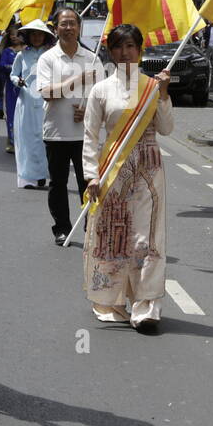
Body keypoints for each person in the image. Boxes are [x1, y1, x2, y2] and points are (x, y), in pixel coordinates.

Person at [81, 24, 174, 333]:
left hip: (148, 171)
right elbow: (91, 136)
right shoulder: (101, 90)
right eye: (119, 47)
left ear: (140, 50)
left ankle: (147, 307)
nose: (125, 53)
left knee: (146, 239)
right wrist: (91, 175)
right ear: (111, 51)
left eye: (131, 46)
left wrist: (163, 95)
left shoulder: (151, 86)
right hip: (112, 172)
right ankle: (111, 300)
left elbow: (166, 128)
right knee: (114, 237)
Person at [37, 8, 106, 245]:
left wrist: (88, 111)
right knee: (58, 184)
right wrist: (78, 80)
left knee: (87, 183)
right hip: (56, 132)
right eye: (63, 24)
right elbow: (47, 93)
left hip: (86, 135)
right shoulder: (47, 59)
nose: (68, 28)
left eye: (72, 24)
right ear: (55, 28)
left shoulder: (93, 59)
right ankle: (62, 228)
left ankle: (90, 227)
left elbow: (104, 97)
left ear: (79, 28)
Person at [10, 18, 52, 188]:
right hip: (26, 102)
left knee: (43, 139)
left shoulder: (49, 56)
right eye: (33, 34)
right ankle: (27, 177)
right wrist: (17, 81)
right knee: (26, 139)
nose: (36, 38)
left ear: (45, 37)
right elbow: (13, 74)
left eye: (40, 35)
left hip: (44, 102)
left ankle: (42, 175)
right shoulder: (22, 55)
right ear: (28, 36)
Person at [0, 31, 21, 153]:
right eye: (12, 34)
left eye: (16, 34)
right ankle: (11, 141)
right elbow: (1, 65)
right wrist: (14, 69)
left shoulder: (28, 51)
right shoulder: (7, 51)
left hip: (26, 88)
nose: (14, 36)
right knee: (11, 113)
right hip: (11, 87)